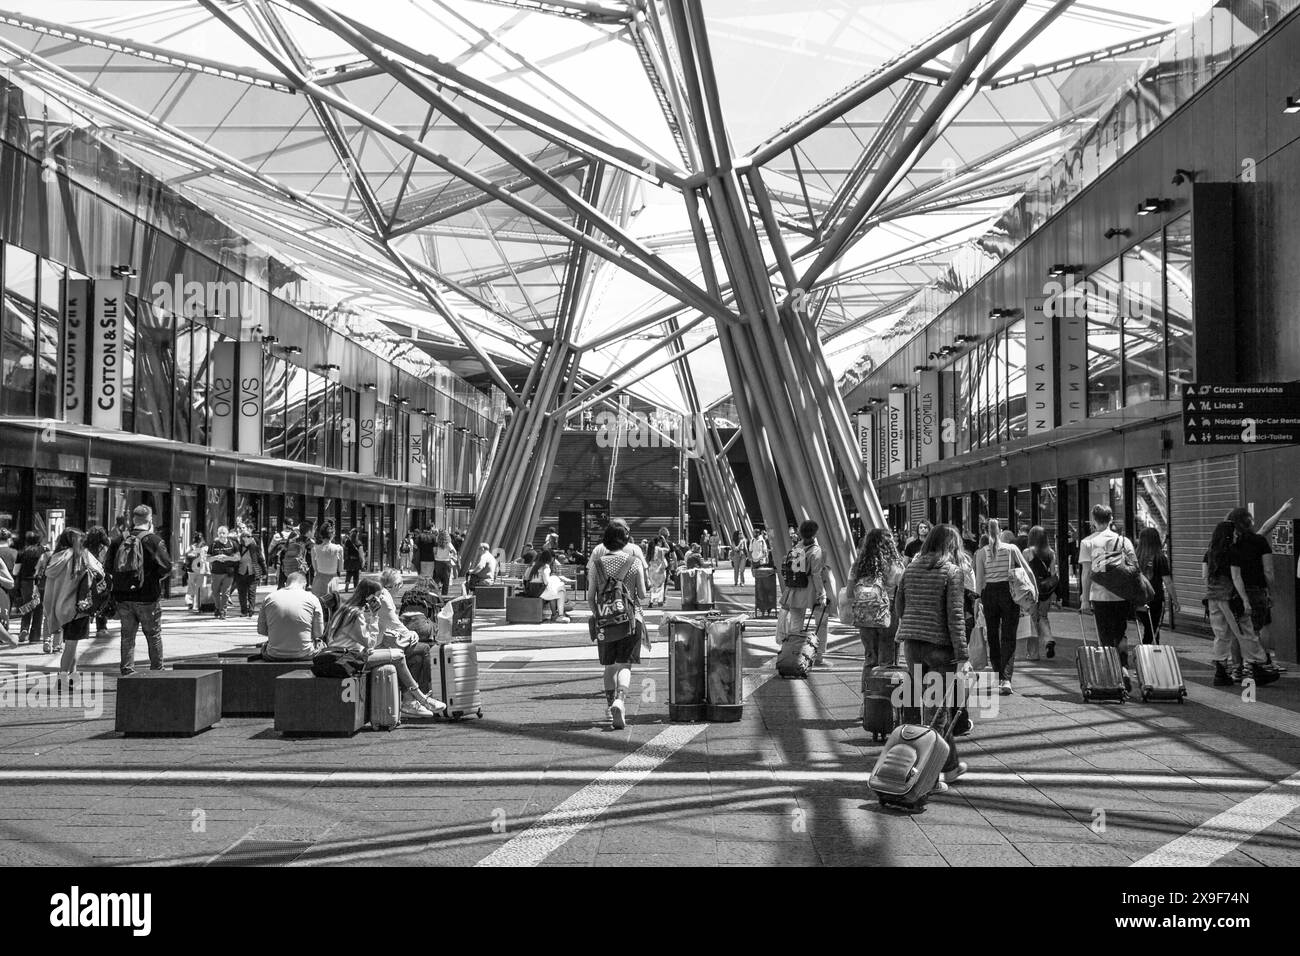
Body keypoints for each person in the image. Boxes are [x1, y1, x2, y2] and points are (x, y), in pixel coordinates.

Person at [893, 524, 970, 789]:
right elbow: (955, 617)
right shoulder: (952, 572)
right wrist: (963, 655)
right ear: (952, 545)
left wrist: (911, 625)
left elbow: (899, 605)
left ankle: (949, 765)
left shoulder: (910, 568)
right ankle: (931, 777)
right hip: (940, 647)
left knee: (918, 707)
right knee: (937, 711)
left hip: (913, 645)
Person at [325, 579, 445, 719]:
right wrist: (375, 616)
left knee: (399, 654)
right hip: (350, 659)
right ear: (369, 596)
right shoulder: (355, 614)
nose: (380, 598)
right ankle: (420, 700)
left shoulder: (345, 609)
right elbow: (370, 642)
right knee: (398, 655)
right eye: (378, 595)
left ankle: (414, 700)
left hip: (347, 654)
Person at [587, 518, 648, 729]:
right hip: (631, 620)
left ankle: (609, 705)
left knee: (609, 666)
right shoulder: (634, 562)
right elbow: (644, 594)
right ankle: (620, 701)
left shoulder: (596, 564)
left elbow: (590, 597)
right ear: (626, 540)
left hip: (605, 622)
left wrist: (600, 616)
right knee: (625, 664)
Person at [1203, 521, 1280, 687]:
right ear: (1230, 535)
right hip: (1230, 598)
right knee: (1245, 631)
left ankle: (1221, 672)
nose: (1238, 535)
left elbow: (1204, 575)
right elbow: (1236, 578)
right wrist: (1245, 600)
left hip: (1212, 598)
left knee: (1221, 635)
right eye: (1235, 533)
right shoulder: (1233, 552)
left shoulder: (1210, 552)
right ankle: (1257, 667)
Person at [106, 504, 172, 676]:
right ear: (150, 520)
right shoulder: (154, 541)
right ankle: (157, 670)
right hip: (148, 596)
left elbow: (108, 567)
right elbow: (166, 567)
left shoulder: (118, 540)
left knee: (127, 636)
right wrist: (153, 578)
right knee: (153, 634)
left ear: (133, 520)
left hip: (123, 597)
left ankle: (127, 670)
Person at [1078, 504, 1138, 692]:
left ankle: (1112, 676)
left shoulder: (1088, 542)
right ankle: (1124, 668)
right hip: (1121, 595)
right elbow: (1134, 568)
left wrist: (1085, 599)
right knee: (1120, 633)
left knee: (1104, 636)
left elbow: (1086, 573)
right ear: (1111, 518)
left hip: (1100, 595)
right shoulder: (1123, 541)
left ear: (1093, 519)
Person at [974, 518, 1036, 695]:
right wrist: (1035, 592)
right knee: (1009, 636)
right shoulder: (1011, 549)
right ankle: (1006, 679)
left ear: (986, 533)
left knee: (992, 635)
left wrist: (978, 600)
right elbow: (1028, 571)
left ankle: (997, 674)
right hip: (1008, 593)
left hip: (989, 594)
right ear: (1000, 531)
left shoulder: (981, 553)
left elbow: (980, 581)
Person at [39, 528, 106, 686]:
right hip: (77, 608)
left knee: (71, 642)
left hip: (59, 608)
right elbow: (100, 572)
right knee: (71, 645)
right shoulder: (80, 555)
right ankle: (62, 680)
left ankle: (73, 679)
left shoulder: (54, 558)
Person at [1227, 503, 1290, 668]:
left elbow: (1233, 575)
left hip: (1233, 592)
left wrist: (1280, 511)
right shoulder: (1258, 541)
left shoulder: (1229, 544)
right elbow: (1268, 572)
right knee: (1258, 629)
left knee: (1237, 631)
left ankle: (1237, 668)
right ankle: (1260, 664)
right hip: (1256, 591)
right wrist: (1271, 593)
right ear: (1249, 522)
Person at [851, 528, 904, 694]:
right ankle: (883, 702)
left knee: (869, 659)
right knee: (887, 660)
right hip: (888, 613)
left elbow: (848, 592)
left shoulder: (858, 565)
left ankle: (867, 701)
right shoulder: (895, 565)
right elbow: (903, 592)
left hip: (865, 615)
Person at [781, 520, 833, 667]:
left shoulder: (797, 547)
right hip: (812, 591)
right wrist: (822, 594)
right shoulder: (816, 551)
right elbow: (816, 575)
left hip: (796, 590)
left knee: (796, 624)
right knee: (821, 623)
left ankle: (793, 654)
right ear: (815, 533)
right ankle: (819, 657)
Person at [378, 568, 435, 697]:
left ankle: (411, 697)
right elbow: (395, 624)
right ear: (396, 585)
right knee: (425, 648)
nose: (400, 590)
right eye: (400, 586)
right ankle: (423, 693)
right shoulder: (384, 598)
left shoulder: (381, 594)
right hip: (379, 645)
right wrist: (411, 634)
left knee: (416, 658)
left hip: (381, 641)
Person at [257, 572, 325, 660]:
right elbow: (319, 633)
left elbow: (262, 631)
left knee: (266, 645)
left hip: (274, 654)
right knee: (322, 644)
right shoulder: (312, 598)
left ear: (285, 584)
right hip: (305, 653)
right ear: (304, 585)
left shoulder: (269, 598)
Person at [1134, 526, 1178, 646]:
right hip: (1156, 599)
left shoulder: (1135, 557)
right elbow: (1167, 581)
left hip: (1139, 600)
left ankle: (1146, 654)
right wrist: (1175, 601)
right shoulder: (1160, 558)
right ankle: (1147, 656)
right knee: (1153, 631)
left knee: (1149, 629)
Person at [1022, 525, 1057, 661]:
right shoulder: (1051, 552)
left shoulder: (1027, 552)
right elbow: (1053, 574)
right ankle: (1048, 640)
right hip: (1046, 591)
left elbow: (1023, 573)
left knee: (1031, 620)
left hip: (1031, 590)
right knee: (1043, 616)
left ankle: (1033, 653)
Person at [15, 531, 46, 643]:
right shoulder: (43, 551)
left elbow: (15, 571)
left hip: (25, 582)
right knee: (38, 607)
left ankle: (24, 628)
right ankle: (35, 635)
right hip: (39, 582)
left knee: (27, 605)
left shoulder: (22, 552)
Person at [524, 549, 570, 623]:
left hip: (531, 590)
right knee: (559, 592)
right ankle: (560, 614)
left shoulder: (534, 565)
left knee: (555, 593)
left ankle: (556, 615)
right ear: (549, 558)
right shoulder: (545, 567)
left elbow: (526, 578)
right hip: (539, 591)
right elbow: (546, 581)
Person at [84, 526, 113, 639]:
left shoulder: (85, 549)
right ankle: (101, 628)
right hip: (102, 579)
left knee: (87, 601)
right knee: (102, 602)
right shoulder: (105, 548)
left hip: (88, 578)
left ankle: (85, 629)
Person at [206, 526, 239, 620]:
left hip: (229, 572)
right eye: (220, 533)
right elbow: (207, 559)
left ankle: (223, 611)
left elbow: (237, 557)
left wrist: (227, 557)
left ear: (227, 534)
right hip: (216, 572)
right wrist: (216, 558)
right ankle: (217, 607)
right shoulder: (213, 545)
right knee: (215, 592)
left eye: (223, 533)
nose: (221, 535)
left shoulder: (233, 544)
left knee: (225, 593)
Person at [232, 529, 265, 618]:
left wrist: (264, 572)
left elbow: (261, 560)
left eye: (250, 536)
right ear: (243, 538)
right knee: (242, 593)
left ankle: (251, 611)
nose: (251, 538)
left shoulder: (255, 548)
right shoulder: (238, 548)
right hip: (240, 573)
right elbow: (233, 560)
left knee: (252, 593)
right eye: (248, 537)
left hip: (252, 573)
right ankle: (244, 611)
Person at [311, 522, 345, 600]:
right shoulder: (338, 549)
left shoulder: (315, 548)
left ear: (321, 535)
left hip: (318, 580)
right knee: (332, 607)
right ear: (332, 534)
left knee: (318, 607)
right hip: (332, 580)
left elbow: (315, 568)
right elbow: (340, 569)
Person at [183, 533, 207, 613]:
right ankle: (197, 605)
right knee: (199, 587)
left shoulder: (190, 547)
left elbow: (186, 556)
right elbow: (205, 558)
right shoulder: (204, 547)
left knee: (191, 586)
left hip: (191, 570)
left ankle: (190, 601)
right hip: (200, 570)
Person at [432, 529, 458, 596]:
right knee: (446, 579)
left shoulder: (436, 543)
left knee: (437, 577)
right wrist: (450, 556)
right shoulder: (448, 544)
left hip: (438, 562)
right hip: (446, 562)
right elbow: (454, 552)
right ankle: (444, 595)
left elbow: (434, 552)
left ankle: (435, 593)